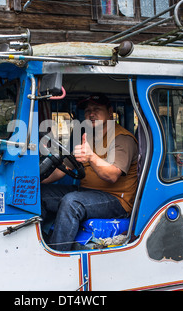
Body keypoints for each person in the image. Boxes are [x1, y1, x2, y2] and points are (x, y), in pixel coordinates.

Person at [41, 94, 139, 251]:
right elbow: (63, 170)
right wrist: (36, 180)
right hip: (89, 193)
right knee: (42, 195)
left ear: (110, 112)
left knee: (72, 202)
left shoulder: (122, 138)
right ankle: (40, 244)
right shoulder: (89, 138)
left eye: (97, 109)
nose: (91, 114)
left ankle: (57, 253)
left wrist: (91, 157)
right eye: (87, 111)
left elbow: (112, 175)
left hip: (117, 200)